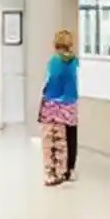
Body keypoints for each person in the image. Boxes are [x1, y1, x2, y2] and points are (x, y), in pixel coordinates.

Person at [39, 29, 79, 186]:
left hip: (52, 103)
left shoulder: (54, 61)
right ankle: (68, 169)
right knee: (70, 136)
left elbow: (50, 80)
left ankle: (52, 170)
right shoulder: (75, 62)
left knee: (52, 138)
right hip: (69, 103)